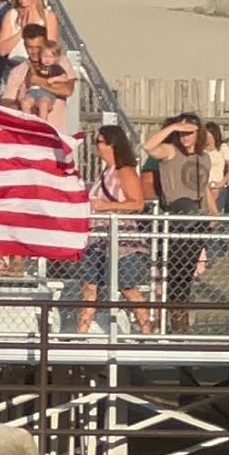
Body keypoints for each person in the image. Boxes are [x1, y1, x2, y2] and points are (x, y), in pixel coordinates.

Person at [142, 113, 217, 334]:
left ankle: (182, 319)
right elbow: (148, 146)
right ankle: (175, 320)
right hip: (178, 219)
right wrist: (173, 126)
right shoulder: (170, 151)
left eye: (189, 133)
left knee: (189, 271)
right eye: (181, 134)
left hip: (198, 220)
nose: (184, 138)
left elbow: (203, 186)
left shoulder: (204, 157)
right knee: (176, 272)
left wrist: (214, 213)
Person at [78, 124, 150, 336]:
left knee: (128, 287)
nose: (96, 146)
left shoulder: (125, 171)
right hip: (97, 238)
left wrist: (106, 206)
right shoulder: (106, 172)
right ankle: (80, 333)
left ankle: (147, 332)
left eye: (99, 141)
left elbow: (137, 203)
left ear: (112, 144)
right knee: (89, 287)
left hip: (120, 240)